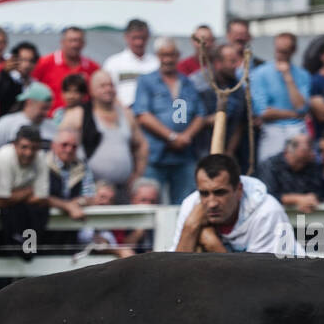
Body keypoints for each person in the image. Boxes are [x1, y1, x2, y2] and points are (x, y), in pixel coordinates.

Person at [173, 153, 295, 254]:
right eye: (204, 193)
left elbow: (258, 279)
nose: (212, 204)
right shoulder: (191, 206)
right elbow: (176, 272)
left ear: (239, 190)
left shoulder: (266, 212)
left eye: (220, 193)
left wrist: (214, 246)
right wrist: (190, 228)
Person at [134, 39, 208, 205]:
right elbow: (143, 114)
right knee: (150, 202)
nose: (168, 59)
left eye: (171, 55)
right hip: (155, 155)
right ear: (158, 56)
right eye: (164, 55)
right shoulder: (147, 81)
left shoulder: (187, 83)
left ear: (178, 56)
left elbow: (200, 115)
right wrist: (172, 136)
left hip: (184, 155)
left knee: (184, 204)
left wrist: (185, 136)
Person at [60, 69, 146, 197]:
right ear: (92, 90)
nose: (108, 89)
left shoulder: (126, 114)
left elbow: (141, 145)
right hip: (89, 189)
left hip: (122, 188)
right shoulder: (78, 114)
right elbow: (59, 145)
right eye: (103, 86)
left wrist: (137, 174)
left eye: (111, 85)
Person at [0, 124, 50, 261]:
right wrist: (28, 192)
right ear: (14, 145)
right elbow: (0, 201)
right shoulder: (3, 157)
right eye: (24, 147)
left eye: (34, 148)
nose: (29, 153)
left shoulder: (40, 157)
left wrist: (15, 195)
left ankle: (27, 251)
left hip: (28, 215)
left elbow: (41, 198)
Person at [251, 32, 311, 162]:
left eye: (285, 51)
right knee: (268, 172)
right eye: (279, 50)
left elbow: (301, 108)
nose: (281, 54)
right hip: (272, 130)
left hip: (297, 130)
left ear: (293, 50)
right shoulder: (260, 73)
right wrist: (293, 114)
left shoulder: (302, 75)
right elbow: (263, 112)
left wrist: (288, 78)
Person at [190, 44, 247, 162]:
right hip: (196, 152)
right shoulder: (196, 84)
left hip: (225, 153)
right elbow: (180, 119)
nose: (237, 66)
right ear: (218, 63)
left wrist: (230, 151)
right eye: (232, 61)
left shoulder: (237, 88)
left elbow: (239, 123)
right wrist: (205, 121)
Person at [34, 26, 99, 117]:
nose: (75, 45)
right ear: (62, 42)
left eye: (78, 41)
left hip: (81, 120)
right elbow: (31, 89)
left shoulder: (93, 68)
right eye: (71, 40)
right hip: (49, 121)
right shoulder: (44, 63)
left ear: (84, 43)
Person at [257, 132, 322, 214]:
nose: (312, 153)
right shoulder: (270, 165)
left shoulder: (311, 165)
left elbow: (319, 191)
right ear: (289, 150)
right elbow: (267, 195)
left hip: (307, 219)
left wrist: (311, 198)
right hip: (273, 217)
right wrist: (297, 199)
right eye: (307, 148)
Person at [0, 81, 53, 153]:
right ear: (29, 103)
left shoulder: (52, 127)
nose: (46, 113)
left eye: (48, 108)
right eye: (44, 108)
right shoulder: (6, 123)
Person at [103, 19, 158, 108]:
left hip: (152, 114)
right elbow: (106, 92)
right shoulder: (113, 63)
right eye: (135, 38)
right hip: (121, 114)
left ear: (148, 37)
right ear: (126, 37)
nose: (139, 42)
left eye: (142, 38)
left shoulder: (156, 63)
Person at [0, 41, 39, 121]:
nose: (27, 65)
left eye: (31, 61)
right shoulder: (7, 78)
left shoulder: (35, 83)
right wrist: (4, 73)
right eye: (23, 60)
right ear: (14, 60)